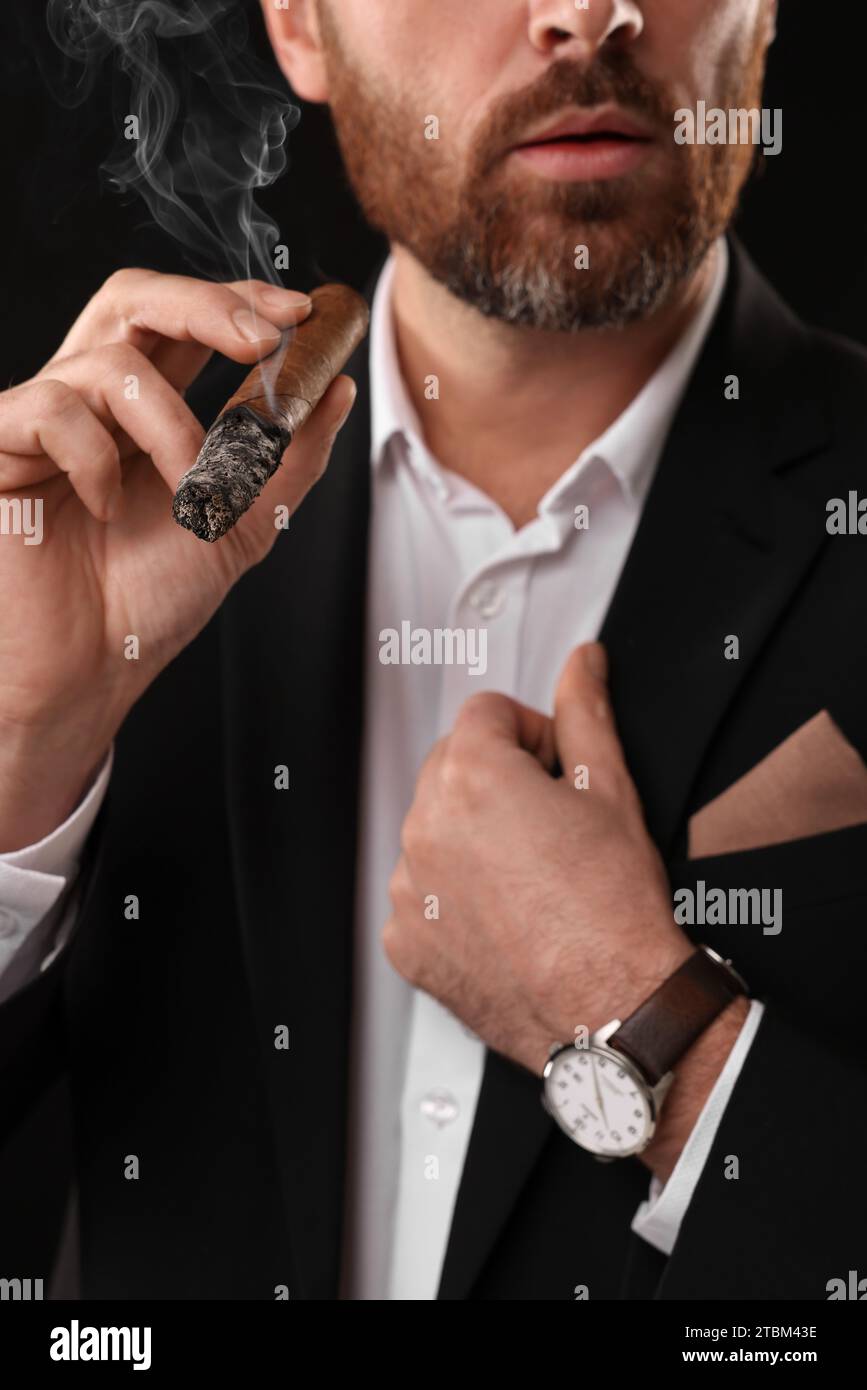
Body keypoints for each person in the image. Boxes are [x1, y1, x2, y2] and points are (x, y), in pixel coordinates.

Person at [1, 0, 865, 1301]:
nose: (583, 14)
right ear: (300, 28)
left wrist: (658, 1034)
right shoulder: (105, 515)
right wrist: (16, 751)